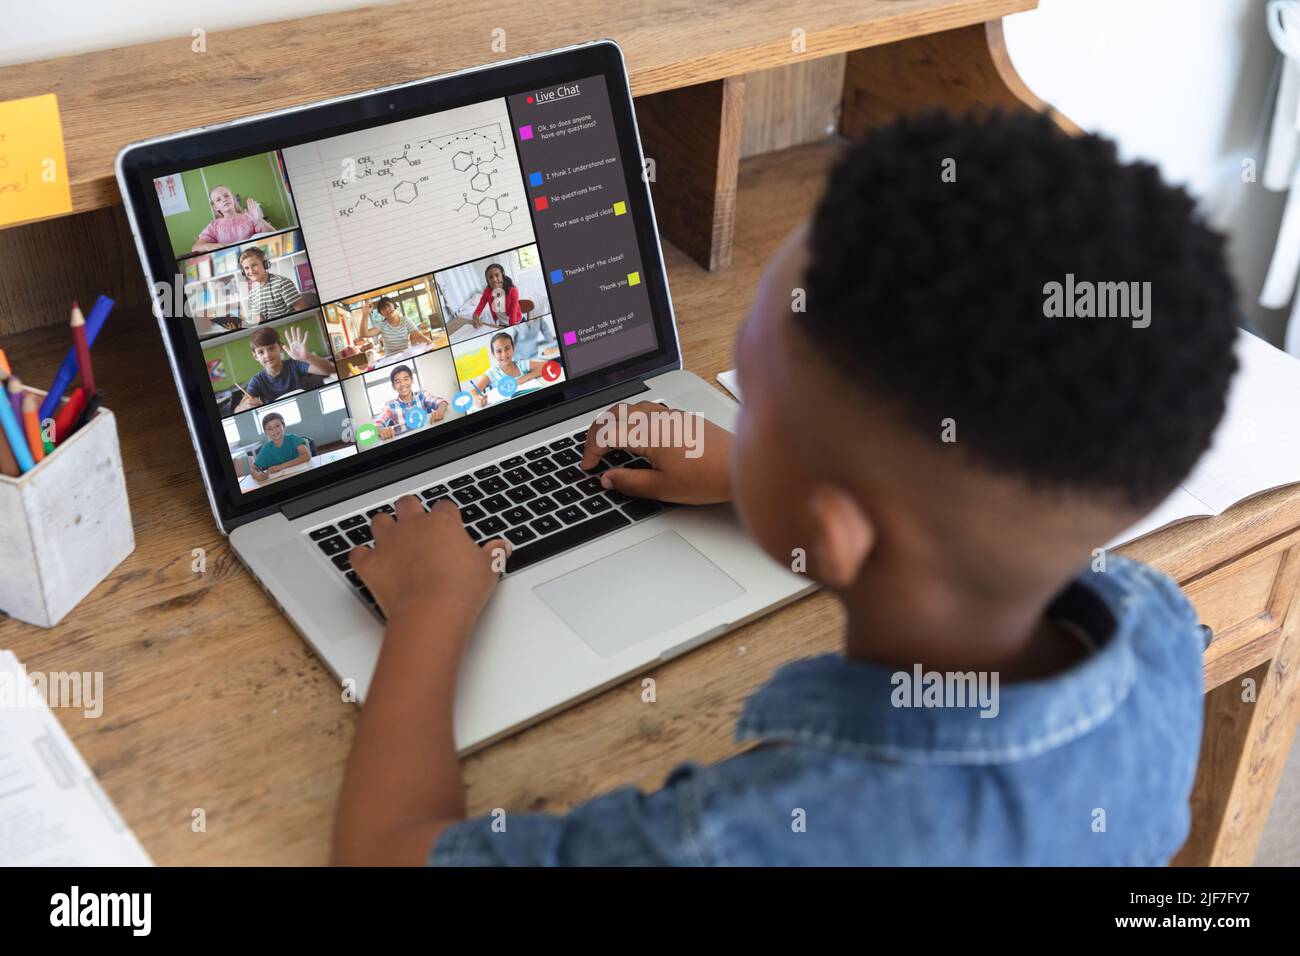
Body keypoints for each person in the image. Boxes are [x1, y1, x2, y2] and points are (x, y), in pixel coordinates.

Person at [332, 111, 1238, 866]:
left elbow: (384, 853)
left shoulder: (742, 839)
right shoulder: (1157, 627)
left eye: (752, 401)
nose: (733, 417)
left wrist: (428, 608)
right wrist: (771, 472)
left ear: (834, 529)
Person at [234, 325, 337, 412]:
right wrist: (246, 406)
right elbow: (237, 410)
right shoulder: (257, 381)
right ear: (255, 356)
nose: (267, 355)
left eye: (271, 348)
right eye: (261, 352)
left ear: (280, 347)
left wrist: (307, 357)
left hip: (307, 409)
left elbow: (331, 370)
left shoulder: (294, 365)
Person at [469, 332, 546, 407]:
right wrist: (477, 399)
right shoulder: (491, 373)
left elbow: (545, 365)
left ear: (513, 348)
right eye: (499, 351)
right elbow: (473, 391)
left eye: (507, 348)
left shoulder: (521, 365)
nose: (504, 354)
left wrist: (523, 379)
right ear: (493, 354)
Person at [192, 185, 276, 252]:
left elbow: (274, 233)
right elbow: (195, 248)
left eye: (226, 196)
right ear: (215, 207)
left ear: (233, 198)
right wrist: (208, 246)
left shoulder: (249, 217)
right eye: (218, 200)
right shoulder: (214, 226)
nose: (224, 200)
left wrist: (258, 220)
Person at [373, 365, 449, 440]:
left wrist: (440, 411)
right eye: (398, 382)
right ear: (393, 386)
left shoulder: (422, 395)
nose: (402, 384)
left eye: (406, 379)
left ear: (412, 380)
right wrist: (380, 430)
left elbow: (441, 402)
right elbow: (378, 423)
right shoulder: (390, 405)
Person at [239, 247, 309, 324]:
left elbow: (304, 313)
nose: (251, 271)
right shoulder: (252, 293)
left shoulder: (282, 283)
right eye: (246, 268)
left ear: (265, 264)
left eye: (254, 265)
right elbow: (260, 321)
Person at [358, 297, 432, 355]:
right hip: (390, 357)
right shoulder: (381, 325)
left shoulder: (406, 320)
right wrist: (365, 314)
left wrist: (431, 345)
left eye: (388, 306)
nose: (387, 309)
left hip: (406, 354)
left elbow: (418, 336)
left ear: (394, 306)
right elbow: (364, 334)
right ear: (381, 314)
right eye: (383, 309)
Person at [250, 412, 310, 482]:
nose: (274, 430)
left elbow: (307, 456)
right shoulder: (266, 449)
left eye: (277, 426)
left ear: (283, 426)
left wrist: (280, 466)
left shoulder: (293, 438)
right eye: (270, 429)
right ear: (266, 432)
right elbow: (253, 468)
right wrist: (256, 475)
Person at [470, 263, 522, 329]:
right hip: (501, 324)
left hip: (516, 322)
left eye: (497, 275)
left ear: (502, 276)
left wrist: (511, 328)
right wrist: (475, 316)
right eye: (490, 277)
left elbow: (513, 316)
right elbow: (480, 307)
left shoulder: (513, 291)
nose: (494, 280)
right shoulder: (487, 292)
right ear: (487, 280)